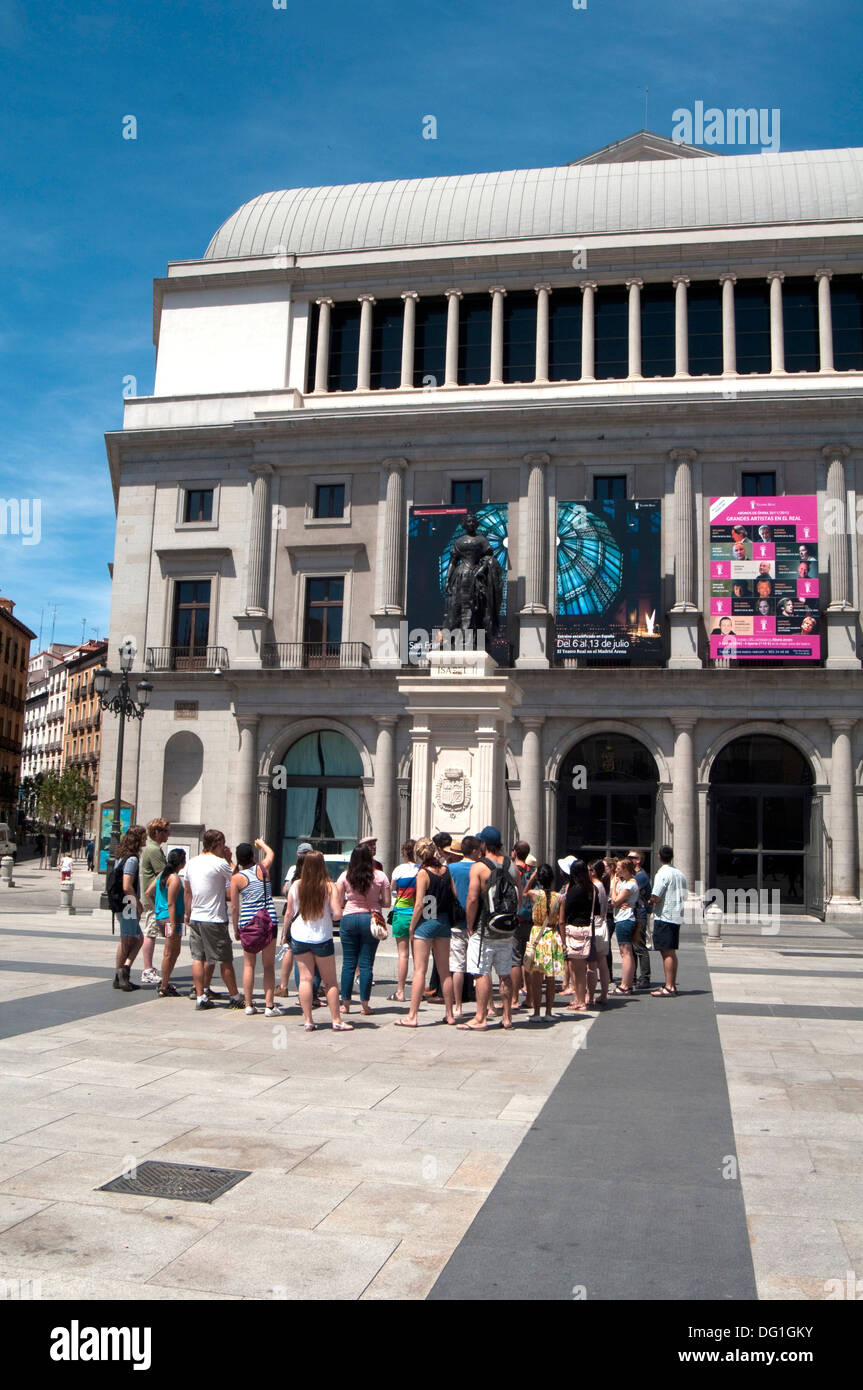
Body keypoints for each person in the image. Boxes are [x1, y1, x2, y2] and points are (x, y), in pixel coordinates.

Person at [458, 826, 519, 1032]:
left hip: (484, 928)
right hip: (507, 929)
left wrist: (469, 925)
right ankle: (507, 1017)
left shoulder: (479, 867)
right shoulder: (512, 867)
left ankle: (480, 1017)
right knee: (505, 973)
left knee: (481, 972)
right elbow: (518, 896)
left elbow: (472, 899)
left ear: (484, 844)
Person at [287, 851, 352, 1031]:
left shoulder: (296, 885)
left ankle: (308, 1020)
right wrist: (329, 915)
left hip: (299, 935)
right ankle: (336, 1020)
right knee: (330, 981)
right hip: (322, 937)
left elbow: (289, 912)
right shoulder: (329, 886)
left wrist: (285, 935)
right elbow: (337, 914)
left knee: (305, 979)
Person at [395, 838, 456, 1027]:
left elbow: (419, 903)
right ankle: (450, 1013)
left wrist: (412, 926)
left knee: (420, 970)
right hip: (443, 920)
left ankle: (412, 1015)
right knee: (445, 971)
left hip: (427, 920)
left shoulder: (423, 873)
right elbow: (454, 895)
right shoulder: (446, 871)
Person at [183, 828, 244, 1010]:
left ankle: (200, 996)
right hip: (214, 918)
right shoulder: (220, 863)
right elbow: (237, 880)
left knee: (198, 957)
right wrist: (230, 859)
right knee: (224, 959)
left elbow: (188, 891)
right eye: (223, 844)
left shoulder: (191, 862)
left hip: (196, 916)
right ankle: (235, 996)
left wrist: (187, 913)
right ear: (218, 844)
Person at [336, 843, 391, 1015]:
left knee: (348, 963)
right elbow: (387, 902)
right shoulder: (380, 876)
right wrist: (376, 902)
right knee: (366, 963)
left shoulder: (345, 876)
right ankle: (365, 1005)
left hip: (349, 918)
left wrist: (351, 900)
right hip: (371, 919)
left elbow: (339, 902)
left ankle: (345, 1004)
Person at [231, 839, 280, 1016]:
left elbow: (234, 907)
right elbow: (271, 853)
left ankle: (249, 1004)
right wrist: (261, 843)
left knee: (249, 965)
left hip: (248, 923)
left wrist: (236, 928)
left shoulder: (236, 878)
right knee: (268, 966)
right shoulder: (263, 869)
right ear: (252, 856)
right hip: (268, 921)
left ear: (238, 859)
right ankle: (269, 1006)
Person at [524, 864, 565, 1018]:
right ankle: (548, 1011)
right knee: (550, 977)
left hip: (537, 934)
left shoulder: (535, 894)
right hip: (552, 935)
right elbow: (561, 921)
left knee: (536, 977)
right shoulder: (559, 897)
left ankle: (536, 1012)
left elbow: (524, 892)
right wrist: (564, 942)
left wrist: (532, 877)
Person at [648, 844, 688, 998]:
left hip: (664, 916)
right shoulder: (680, 874)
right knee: (671, 951)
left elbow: (656, 896)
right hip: (676, 915)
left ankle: (669, 986)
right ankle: (671, 984)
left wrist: (649, 901)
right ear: (672, 857)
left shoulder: (662, 873)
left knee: (667, 952)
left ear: (659, 856)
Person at [145, 848, 186, 996]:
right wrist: (173, 925)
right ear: (180, 862)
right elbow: (171, 903)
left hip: (165, 917)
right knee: (170, 952)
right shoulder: (174, 879)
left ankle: (166, 981)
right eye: (184, 859)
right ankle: (164, 985)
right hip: (173, 918)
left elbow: (148, 893)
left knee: (176, 950)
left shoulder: (162, 874)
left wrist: (156, 910)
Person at [112, 824, 147, 992]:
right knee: (128, 940)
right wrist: (138, 904)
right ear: (138, 839)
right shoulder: (132, 859)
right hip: (128, 904)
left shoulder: (122, 856)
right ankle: (122, 973)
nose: (146, 839)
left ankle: (122, 972)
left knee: (136, 938)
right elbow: (127, 886)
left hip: (123, 903)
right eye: (144, 836)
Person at [448, 835, 479, 1019]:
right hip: (476, 923)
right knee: (479, 967)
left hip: (456, 922)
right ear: (474, 851)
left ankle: (458, 1006)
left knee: (457, 967)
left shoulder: (451, 869)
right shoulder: (480, 868)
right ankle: (487, 1005)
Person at [275, 842, 312, 998]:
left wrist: (284, 932)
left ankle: (284, 986)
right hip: (308, 915)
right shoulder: (316, 872)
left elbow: (285, 890)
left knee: (289, 949)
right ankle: (313, 987)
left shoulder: (293, 870)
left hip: (295, 915)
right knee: (311, 953)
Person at [139, 817, 170, 987]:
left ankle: (149, 967)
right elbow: (162, 873)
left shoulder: (153, 848)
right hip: (154, 898)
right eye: (165, 831)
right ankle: (147, 969)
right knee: (151, 931)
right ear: (157, 832)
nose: (168, 834)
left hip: (154, 897)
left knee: (153, 931)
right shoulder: (154, 850)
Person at [560, 858, 593, 1012]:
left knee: (576, 968)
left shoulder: (575, 890)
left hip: (574, 928)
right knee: (580, 968)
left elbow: (566, 910)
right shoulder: (591, 888)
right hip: (586, 928)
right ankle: (579, 999)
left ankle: (580, 1000)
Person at [388, 839, 419, 1002]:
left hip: (401, 914)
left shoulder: (398, 870)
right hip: (417, 915)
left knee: (403, 955)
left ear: (404, 853)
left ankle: (400, 991)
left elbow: (392, 888)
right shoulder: (421, 870)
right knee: (418, 956)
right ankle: (418, 990)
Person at [509, 840, 535, 1012]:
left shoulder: (512, 870)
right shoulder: (532, 871)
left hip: (516, 918)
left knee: (515, 959)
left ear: (515, 852)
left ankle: (514, 998)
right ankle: (530, 997)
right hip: (531, 919)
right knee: (528, 960)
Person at [610, 857, 640, 995]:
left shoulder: (630, 884)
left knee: (625, 953)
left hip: (625, 919)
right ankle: (628, 982)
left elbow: (615, 901)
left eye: (619, 868)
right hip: (623, 918)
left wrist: (613, 887)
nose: (616, 870)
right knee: (627, 953)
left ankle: (625, 985)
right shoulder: (626, 882)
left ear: (626, 869)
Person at [587, 859, 611, 1006]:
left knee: (592, 963)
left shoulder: (594, 887)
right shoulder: (602, 886)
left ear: (594, 872)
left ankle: (590, 995)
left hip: (594, 924)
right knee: (602, 962)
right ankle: (604, 994)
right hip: (602, 924)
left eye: (589, 869)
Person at [628, 850, 652, 989]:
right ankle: (633, 976)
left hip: (639, 914)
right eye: (628, 856)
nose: (629, 859)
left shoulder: (641, 876)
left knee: (639, 946)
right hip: (632, 913)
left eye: (632, 857)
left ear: (638, 860)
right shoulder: (632, 875)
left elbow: (629, 890)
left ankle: (645, 978)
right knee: (631, 947)